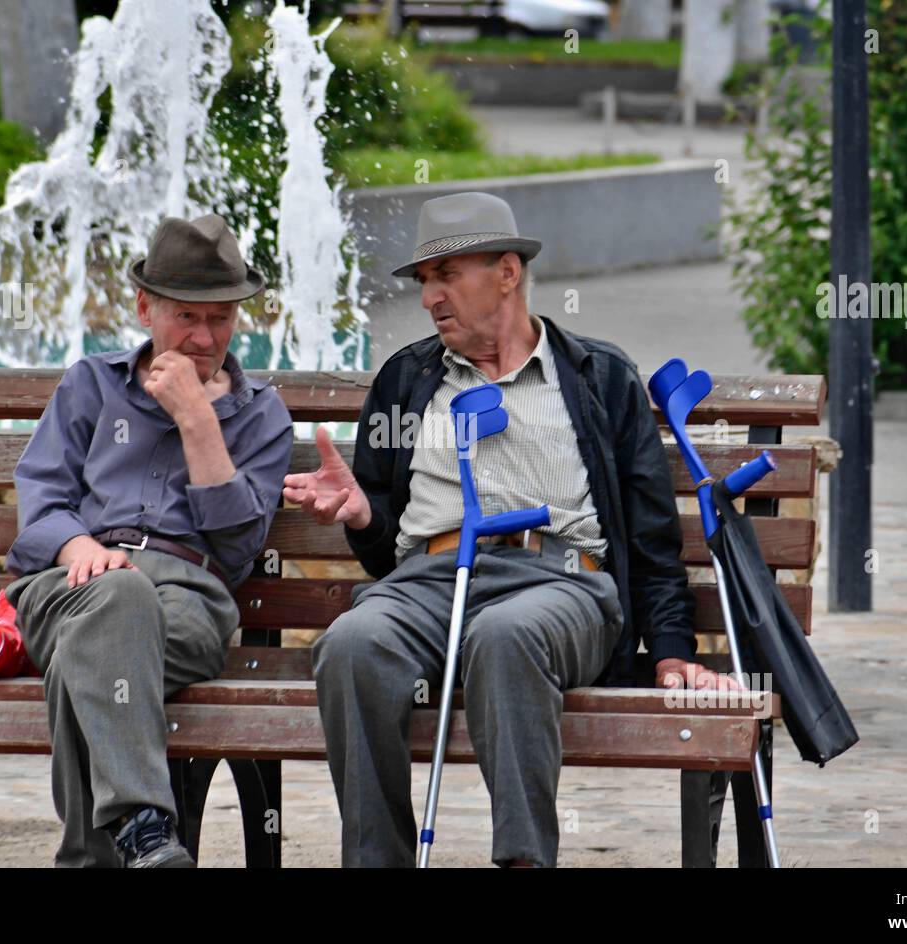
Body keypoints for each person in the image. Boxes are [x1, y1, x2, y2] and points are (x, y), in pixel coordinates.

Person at [284, 191, 740, 867]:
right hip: (431, 581)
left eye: (447, 276)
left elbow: (650, 536)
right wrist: (360, 515)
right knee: (352, 643)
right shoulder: (407, 380)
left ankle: (524, 859)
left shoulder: (598, 376)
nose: (429, 298)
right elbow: (386, 552)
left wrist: (671, 646)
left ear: (507, 273)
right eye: (424, 282)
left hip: (562, 583)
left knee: (506, 633)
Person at [4, 214, 293, 867]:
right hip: (68, 586)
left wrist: (197, 417)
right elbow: (41, 496)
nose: (203, 336)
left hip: (188, 600)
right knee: (114, 605)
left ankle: (93, 854)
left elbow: (240, 546)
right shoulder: (91, 384)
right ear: (143, 307)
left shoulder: (261, 413)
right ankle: (145, 824)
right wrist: (77, 547)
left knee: (96, 645)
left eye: (220, 318)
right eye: (186, 316)